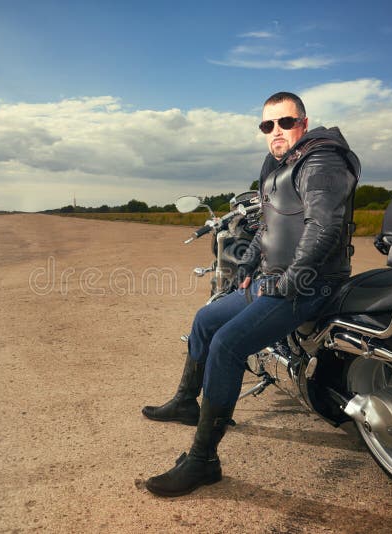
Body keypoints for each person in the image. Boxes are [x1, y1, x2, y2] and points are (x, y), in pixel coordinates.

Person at [142, 91, 361, 497]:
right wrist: (248, 264)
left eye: (286, 122)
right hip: (274, 278)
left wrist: (293, 279)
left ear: (304, 123)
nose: (276, 131)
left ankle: (204, 461)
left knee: (226, 346)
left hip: (309, 284)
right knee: (206, 319)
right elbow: (268, 225)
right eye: (268, 125)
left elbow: (324, 226)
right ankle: (187, 401)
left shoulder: (322, 161)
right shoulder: (279, 165)